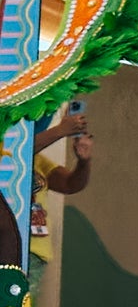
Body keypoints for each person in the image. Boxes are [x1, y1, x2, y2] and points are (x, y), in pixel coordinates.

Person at [29, 109, 92, 273]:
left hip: (35, 255)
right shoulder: (8, 151)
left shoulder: (37, 160)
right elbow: (19, 154)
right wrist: (60, 130)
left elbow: (70, 184)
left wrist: (83, 162)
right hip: (10, 250)